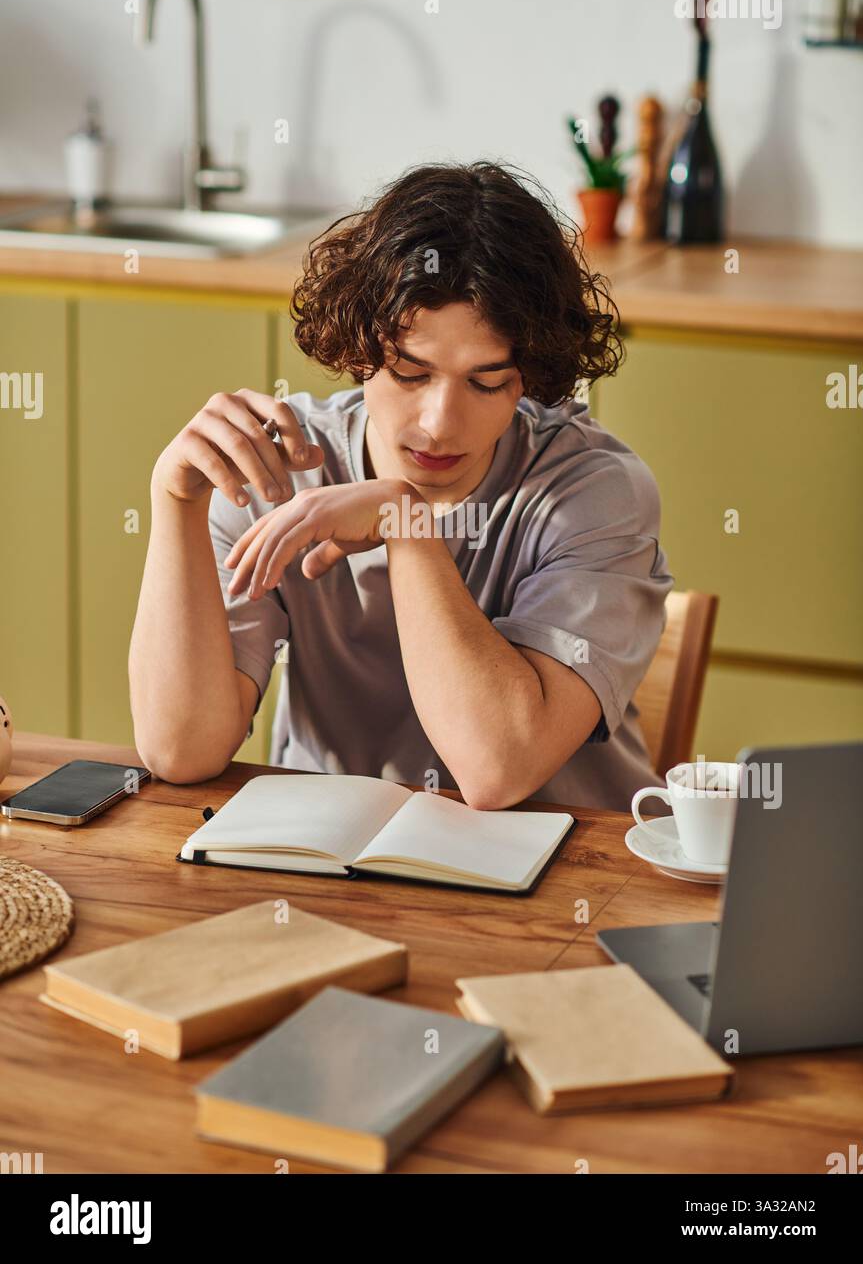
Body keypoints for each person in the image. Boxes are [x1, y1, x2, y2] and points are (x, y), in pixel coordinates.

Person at [129, 161, 673, 811]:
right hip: (334, 873)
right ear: (358, 349)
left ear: (530, 375)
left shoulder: (595, 492)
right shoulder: (282, 469)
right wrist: (175, 502)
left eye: (486, 381)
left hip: (564, 887)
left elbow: (497, 768)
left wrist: (406, 523)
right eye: (411, 373)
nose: (441, 424)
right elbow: (180, 752)